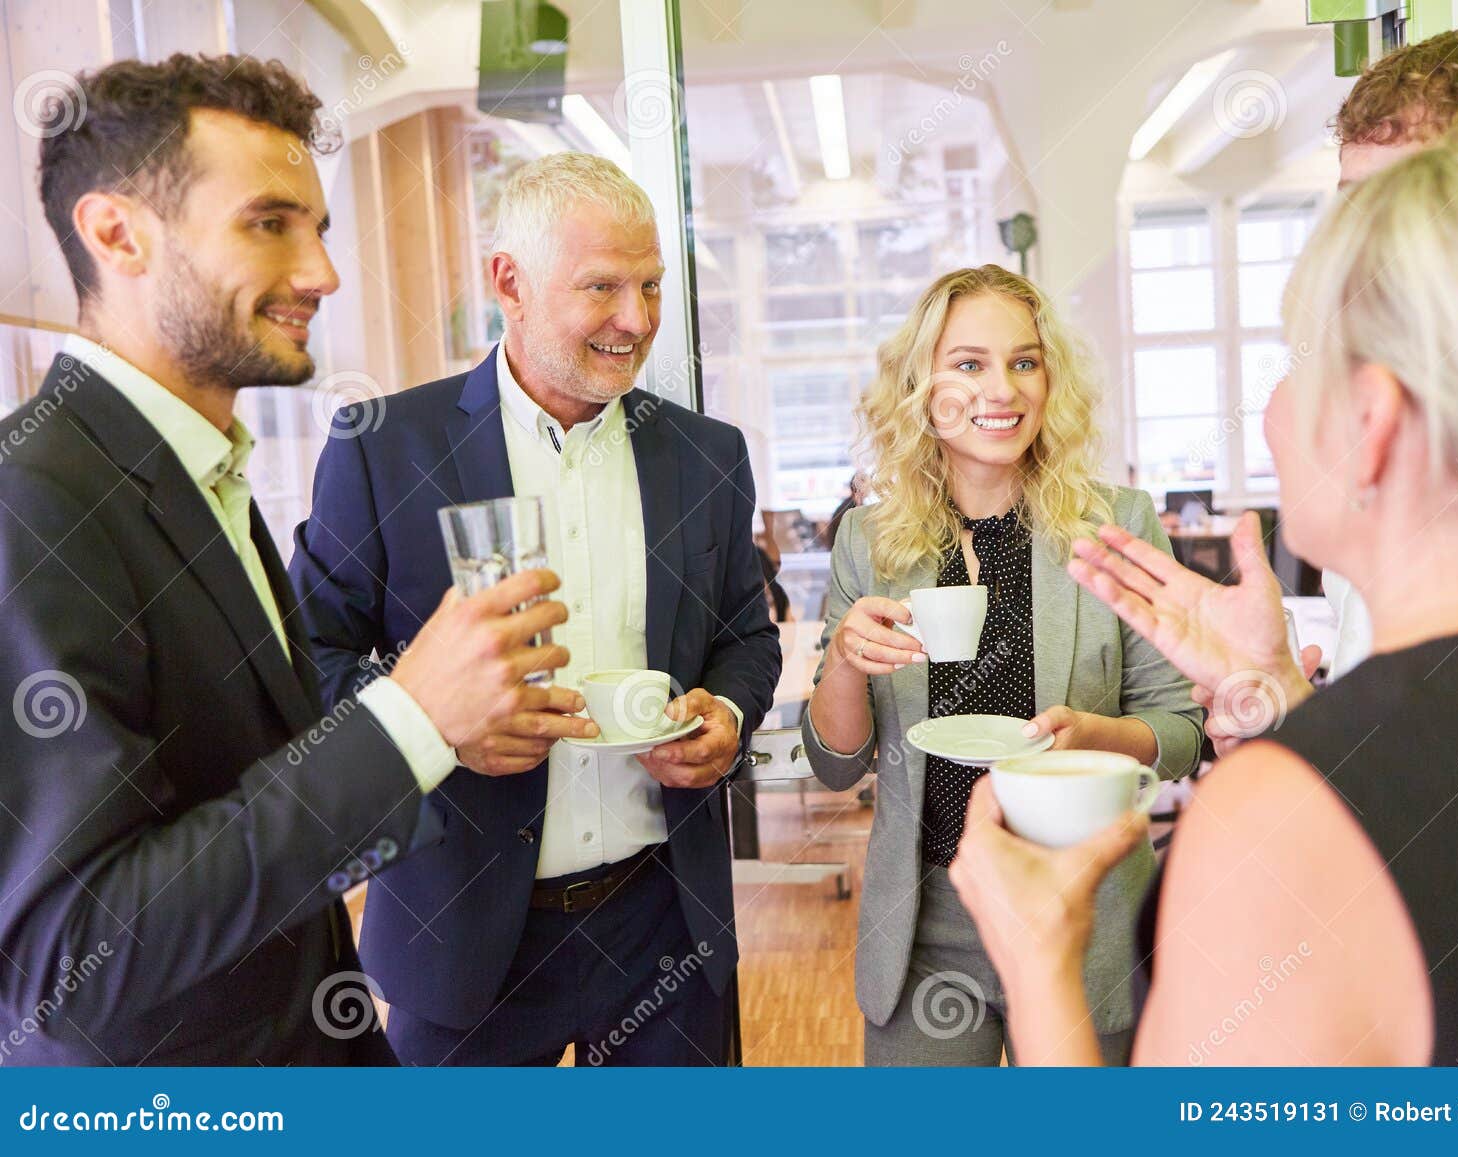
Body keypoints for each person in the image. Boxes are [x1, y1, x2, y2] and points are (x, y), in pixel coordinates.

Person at [952, 127, 1458, 1066]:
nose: (1275, 411)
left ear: (1371, 422)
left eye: (1294, 366)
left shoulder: (1283, 826)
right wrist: (1282, 705)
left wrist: (1038, 957)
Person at [0, 54, 582, 1065]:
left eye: (318, 228)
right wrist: (410, 717)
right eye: (269, 223)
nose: (322, 273)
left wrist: (433, 727)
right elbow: (68, 954)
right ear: (115, 233)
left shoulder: (200, 466)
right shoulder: (30, 499)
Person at [290, 152, 782, 1066]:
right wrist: (439, 724)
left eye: (650, 285)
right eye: (602, 286)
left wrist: (727, 712)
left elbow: (744, 638)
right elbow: (306, 662)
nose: (635, 320)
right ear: (507, 282)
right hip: (464, 931)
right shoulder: (384, 449)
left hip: (664, 921)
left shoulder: (709, 454)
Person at [1105, 28, 1458, 749]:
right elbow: (1407, 788)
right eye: (1354, 206)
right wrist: (1289, 714)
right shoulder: (1377, 495)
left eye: (1410, 207)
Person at [800, 264, 1202, 1066]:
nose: (1003, 389)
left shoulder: (1117, 525)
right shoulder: (867, 542)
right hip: (927, 928)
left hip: (1083, 911)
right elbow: (836, 765)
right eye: (969, 363)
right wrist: (846, 659)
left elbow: (1184, 731)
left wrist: (1096, 734)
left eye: (1025, 361)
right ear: (922, 385)